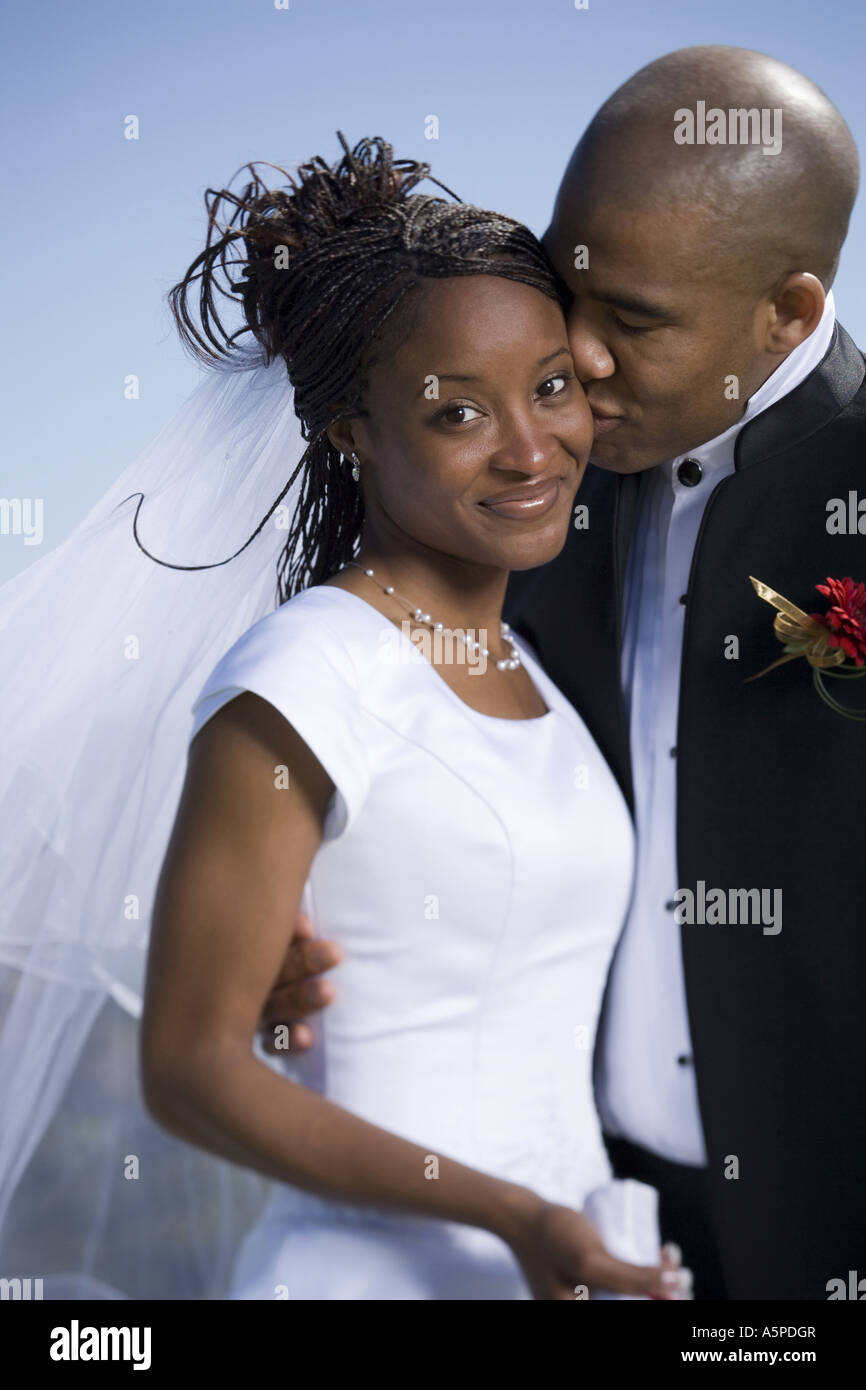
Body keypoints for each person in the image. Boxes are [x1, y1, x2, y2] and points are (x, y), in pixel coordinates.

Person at [267, 48, 866, 1301]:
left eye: (631, 323)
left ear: (788, 313)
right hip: (585, 1223)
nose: (575, 359)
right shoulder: (520, 479)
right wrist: (291, 912)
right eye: (566, 284)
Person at [139, 135, 688, 1301]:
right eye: (457, 415)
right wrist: (512, 1213)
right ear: (349, 430)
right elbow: (187, 1067)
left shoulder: (532, 667)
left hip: (570, 1262)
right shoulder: (305, 680)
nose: (532, 448)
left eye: (548, 386)